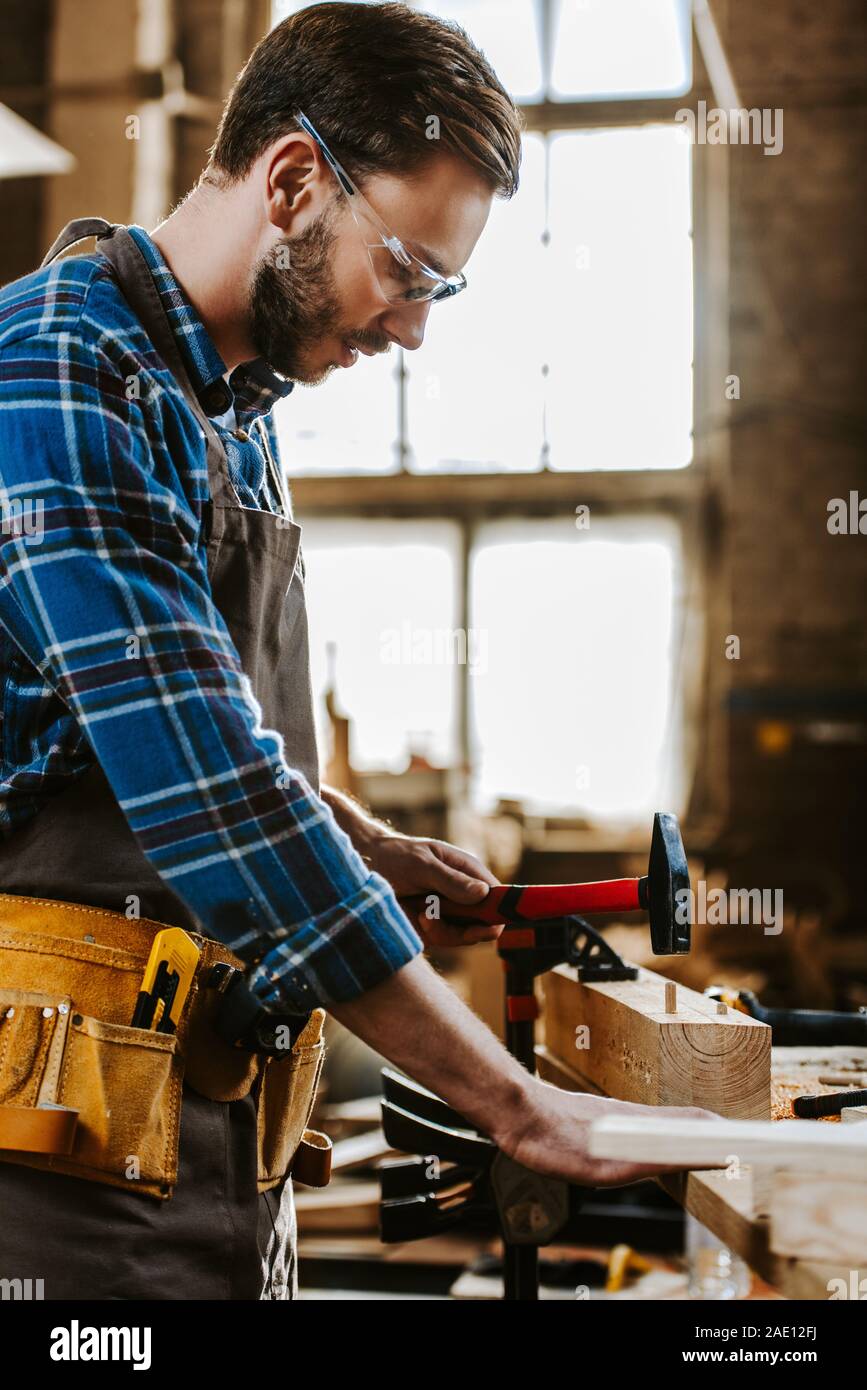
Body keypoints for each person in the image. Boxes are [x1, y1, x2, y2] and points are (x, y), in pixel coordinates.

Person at [0, 2, 713, 1301]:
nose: (412, 331)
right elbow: (220, 805)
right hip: (61, 1178)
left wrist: (366, 843)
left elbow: (152, 729)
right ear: (291, 182)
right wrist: (517, 1107)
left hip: (228, 1148)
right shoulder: (60, 375)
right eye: (410, 273)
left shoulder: (239, 406)